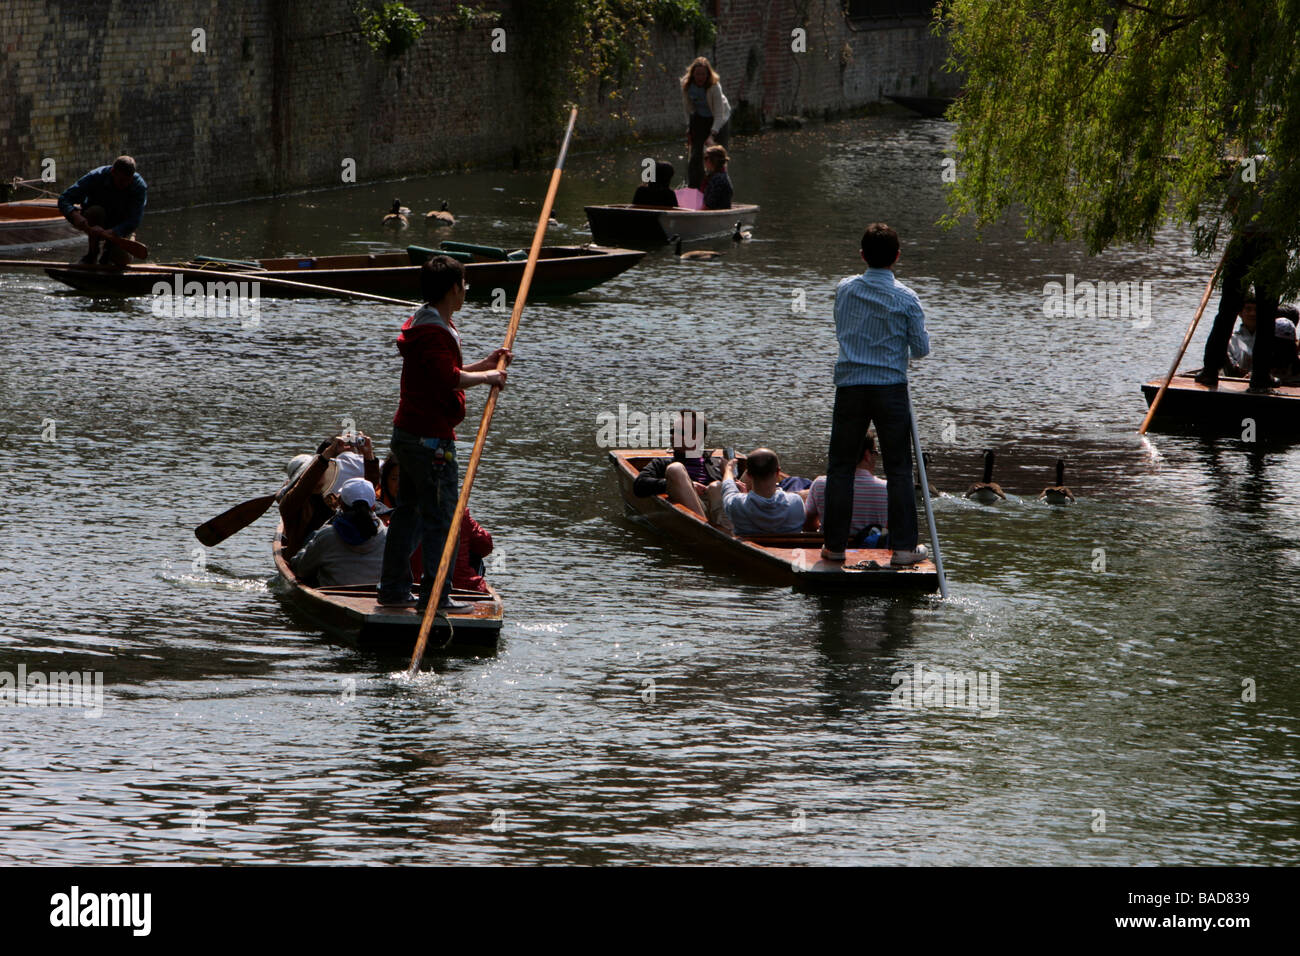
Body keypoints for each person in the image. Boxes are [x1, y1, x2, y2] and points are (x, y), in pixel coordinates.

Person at [377, 255, 511, 611]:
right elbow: (448, 379)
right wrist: (489, 378)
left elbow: (444, 371)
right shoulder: (433, 332)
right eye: (463, 285)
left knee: (409, 513)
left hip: (410, 435)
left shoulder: (427, 326)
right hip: (430, 441)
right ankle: (435, 597)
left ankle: (393, 590)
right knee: (440, 519)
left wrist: (483, 365)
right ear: (454, 288)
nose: (465, 291)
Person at [822, 223, 930, 567]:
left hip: (851, 386)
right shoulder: (907, 298)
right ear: (897, 257)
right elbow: (921, 349)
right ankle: (902, 549)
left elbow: (841, 327)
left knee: (840, 468)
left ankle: (834, 547)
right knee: (899, 469)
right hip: (890, 389)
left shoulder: (845, 289)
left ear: (862, 256)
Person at [377, 454, 493, 594]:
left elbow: (485, 545)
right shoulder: (457, 512)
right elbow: (485, 545)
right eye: (394, 479)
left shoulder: (396, 518)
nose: (399, 485)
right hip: (450, 587)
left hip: (450, 589)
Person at [280, 434, 380, 558]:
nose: (319, 474)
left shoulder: (333, 500)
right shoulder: (290, 504)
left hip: (333, 557)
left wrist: (368, 456)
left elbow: (365, 493)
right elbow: (305, 486)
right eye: (309, 472)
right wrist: (327, 454)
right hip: (304, 560)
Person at [632, 410, 728, 523]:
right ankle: (702, 527)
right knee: (675, 468)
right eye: (673, 431)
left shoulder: (715, 463)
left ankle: (728, 533)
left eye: (680, 432)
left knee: (718, 486)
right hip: (695, 513)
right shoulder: (663, 464)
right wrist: (680, 485)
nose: (673, 436)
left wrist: (732, 480)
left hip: (719, 512)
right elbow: (639, 485)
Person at [291, 478, 388, 586]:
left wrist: (303, 551)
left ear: (340, 503)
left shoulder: (327, 536)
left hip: (331, 596)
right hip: (374, 597)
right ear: (373, 506)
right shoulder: (388, 535)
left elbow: (300, 569)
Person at [57, 156, 147, 266]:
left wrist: (113, 232)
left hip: (119, 229)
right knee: (96, 212)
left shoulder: (139, 186)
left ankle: (108, 253)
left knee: (122, 260)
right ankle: (92, 255)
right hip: (95, 223)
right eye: (121, 180)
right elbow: (64, 199)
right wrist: (75, 215)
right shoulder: (96, 177)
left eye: (129, 180)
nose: (125, 184)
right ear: (113, 172)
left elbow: (134, 220)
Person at [804, 434, 889, 540]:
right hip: (871, 552)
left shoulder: (820, 484)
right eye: (875, 453)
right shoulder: (887, 489)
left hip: (832, 550)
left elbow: (808, 526)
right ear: (867, 455)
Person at [719, 448, 805, 535]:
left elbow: (727, 486)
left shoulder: (736, 503)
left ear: (748, 475)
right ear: (778, 472)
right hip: (789, 547)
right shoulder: (796, 501)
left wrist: (728, 468)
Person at [681, 57, 731, 189]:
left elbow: (719, 114)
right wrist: (689, 128)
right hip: (700, 119)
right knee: (695, 156)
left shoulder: (714, 87)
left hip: (718, 119)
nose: (700, 77)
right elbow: (688, 109)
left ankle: (721, 186)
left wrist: (712, 134)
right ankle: (695, 189)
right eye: (697, 74)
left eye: (703, 74)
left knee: (717, 156)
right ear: (693, 74)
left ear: (708, 74)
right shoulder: (687, 85)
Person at [701, 146, 733, 210]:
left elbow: (710, 205)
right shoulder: (719, 175)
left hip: (714, 213)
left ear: (714, 160)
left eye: (706, 158)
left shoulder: (718, 179)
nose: (704, 161)